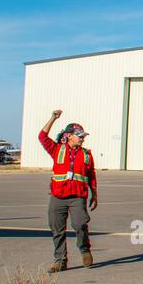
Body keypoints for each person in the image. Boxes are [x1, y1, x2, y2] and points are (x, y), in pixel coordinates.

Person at [38, 109, 98, 272]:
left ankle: (84, 249)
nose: (82, 138)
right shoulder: (57, 149)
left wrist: (94, 195)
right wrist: (53, 118)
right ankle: (60, 260)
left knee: (80, 224)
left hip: (77, 197)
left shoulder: (86, 155)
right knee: (57, 228)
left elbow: (91, 175)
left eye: (83, 136)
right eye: (80, 135)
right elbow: (42, 137)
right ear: (69, 135)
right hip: (58, 196)